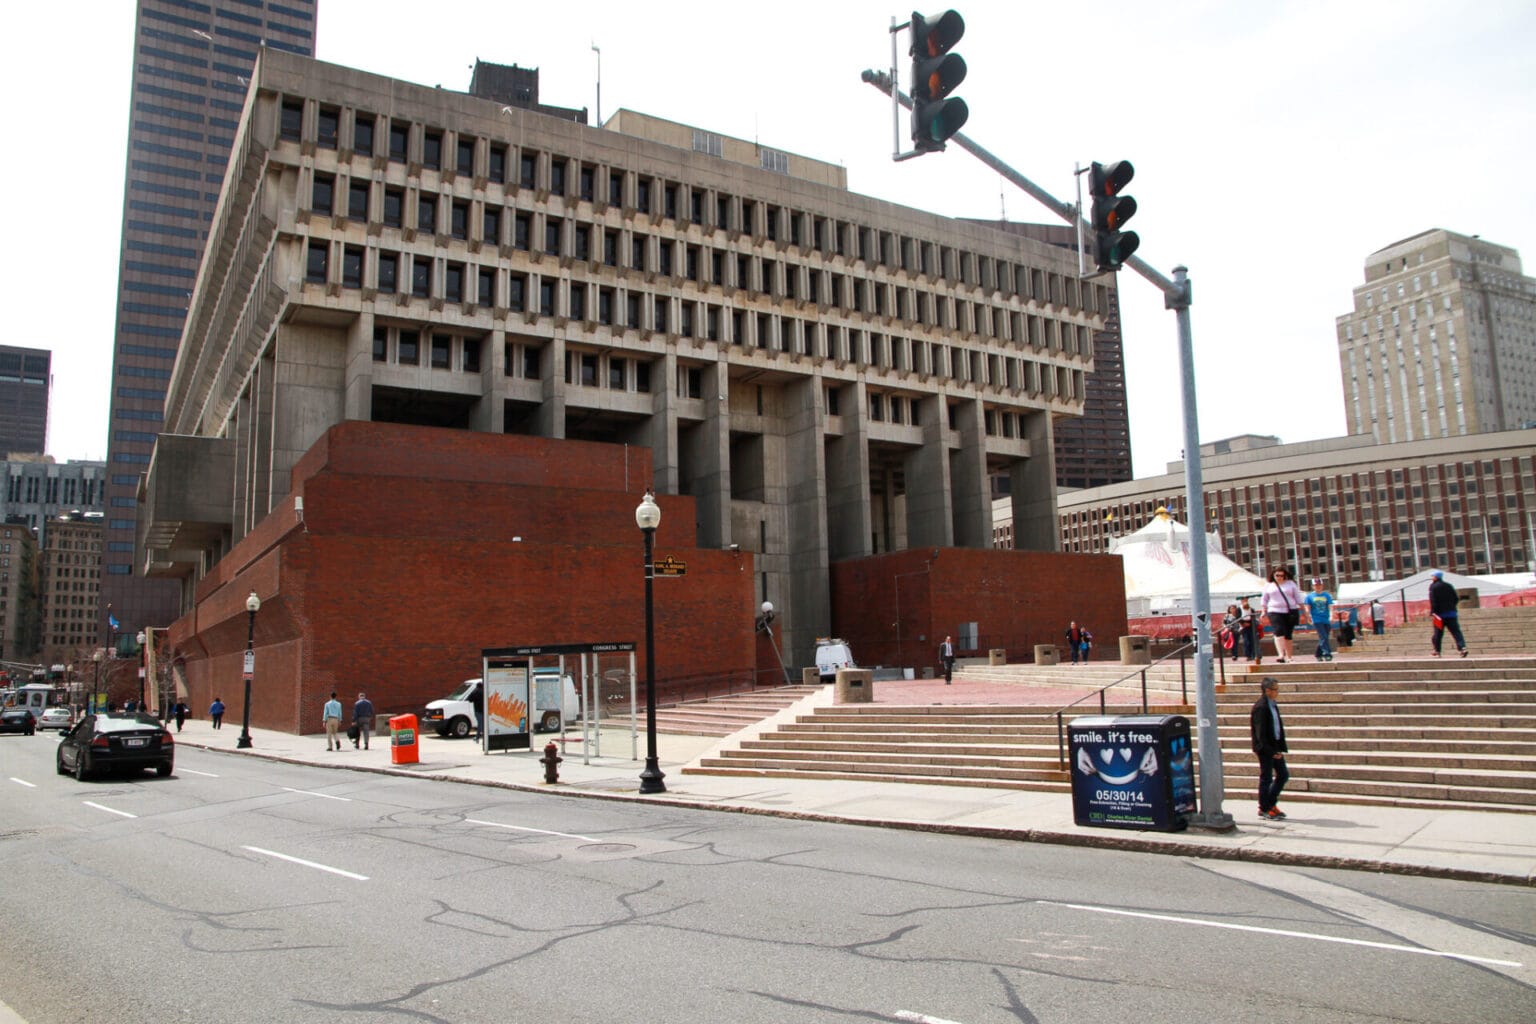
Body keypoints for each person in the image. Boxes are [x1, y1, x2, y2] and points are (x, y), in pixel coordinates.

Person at [1249, 677, 1289, 820]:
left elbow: (1277, 727)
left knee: (1283, 775)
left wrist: (1279, 748)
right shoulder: (1261, 707)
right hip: (1265, 749)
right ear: (1267, 691)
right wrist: (1271, 752)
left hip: (1275, 746)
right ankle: (1264, 807)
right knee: (1266, 778)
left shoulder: (1272, 704)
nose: (1277, 692)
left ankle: (1270, 803)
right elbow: (1261, 734)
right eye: (1275, 689)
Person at [1260, 567, 1305, 663]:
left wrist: (1305, 611)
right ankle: (1281, 655)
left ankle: (1289, 656)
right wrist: (1264, 610)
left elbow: (1298, 597)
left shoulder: (1290, 584)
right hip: (1274, 610)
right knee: (1278, 631)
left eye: (1281, 575)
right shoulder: (1268, 585)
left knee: (1288, 634)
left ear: (1285, 576)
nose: (1279, 577)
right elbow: (1264, 599)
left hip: (1290, 611)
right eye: (1277, 575)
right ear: (1273, 575)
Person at [1428, 570, 1468, 658]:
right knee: (1456, 632)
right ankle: (1462, 648)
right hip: (1451, 614)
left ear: (1435, 577)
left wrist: (1433, 612)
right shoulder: (1449, 585)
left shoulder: (1433, 587)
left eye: (1432, 576)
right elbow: (1456, 598)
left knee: (1438, 633)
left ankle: (1437, 651)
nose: (1431, 578)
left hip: (1439, 615)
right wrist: (1451, 607)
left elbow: (1433, 601)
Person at [1304, 578, 1335, 662]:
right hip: (1317, 619)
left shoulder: (1327, 595)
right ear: (1313, 586)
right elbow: (1307, 608)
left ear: (1322, 585)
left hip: (1326, 618)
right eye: (1316, 585)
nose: (1318, 587)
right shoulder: (1309, 596)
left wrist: (1332, 616)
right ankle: (1327, 653)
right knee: (1323, 636)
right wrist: (1308, 616)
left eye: (1319, 585)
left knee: (1324, 637)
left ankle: (1318, 653)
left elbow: (1330, 606)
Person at [1240, 596, 1261, 664]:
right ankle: (1248, 655)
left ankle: (1253, 654)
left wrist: (1250, 623)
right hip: (1244, 627)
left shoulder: (1251, 609)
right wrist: (1243, 623)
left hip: (1251, 626)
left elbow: (1253, 617)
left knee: (1253, 640)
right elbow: (1238, 617)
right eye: (1243, 600)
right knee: (1246, 641)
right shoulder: (1239, 609)